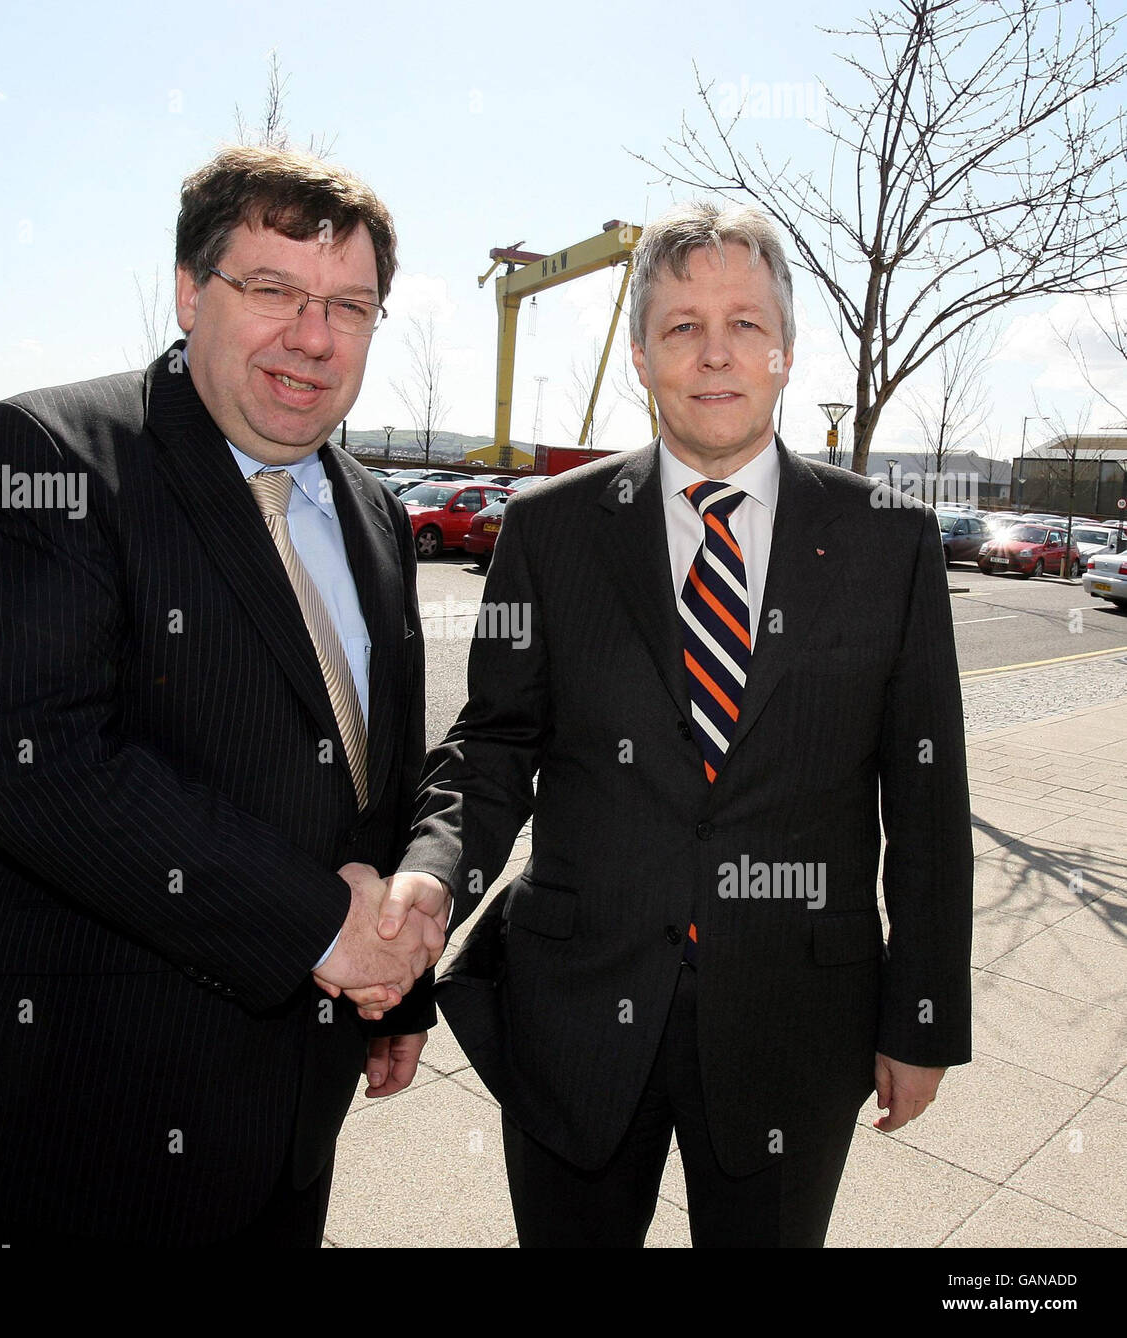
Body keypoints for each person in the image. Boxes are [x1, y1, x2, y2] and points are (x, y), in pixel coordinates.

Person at [0, 146, 441, 1247]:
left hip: (282, 1117)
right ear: (188, 289)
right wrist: (324, 930)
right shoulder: (49, 456)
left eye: (350, 306)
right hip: (61, 1117)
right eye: (273, 291)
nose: (313, 337)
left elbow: (375, 780)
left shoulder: (375, 513)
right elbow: (40, 763)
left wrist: (391, 991)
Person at [372, 201, 973, 1247]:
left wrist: (922, 1015)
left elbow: (927, 801)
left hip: (796, 1020)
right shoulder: (549, 531)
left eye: (745, 322)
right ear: (639, 359)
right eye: (680, 325)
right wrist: (432, 871)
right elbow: (495, 743)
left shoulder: (889, 541)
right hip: (576, 1009)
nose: (714, 352)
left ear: (785, 351)